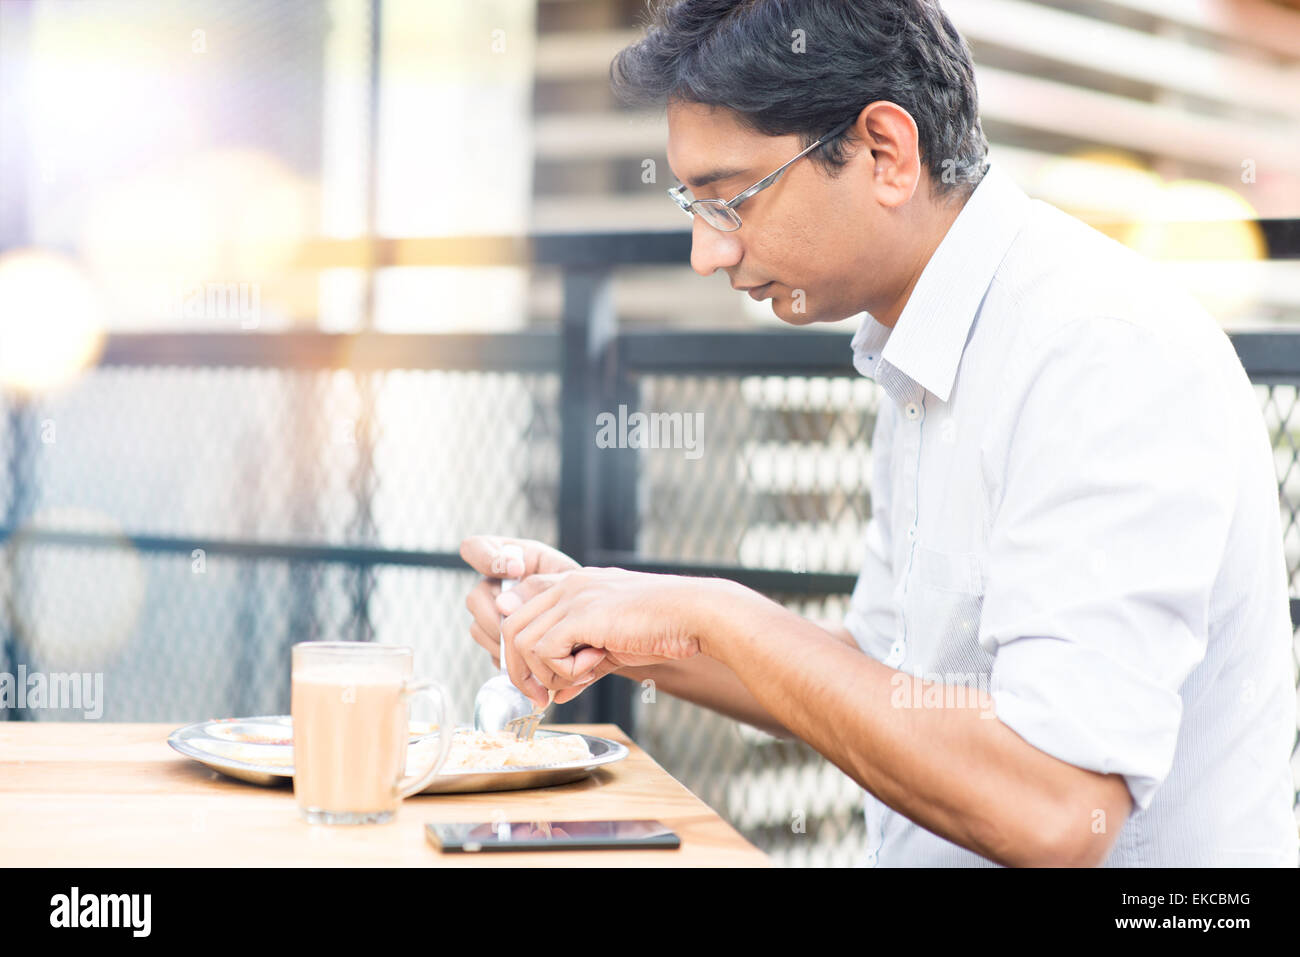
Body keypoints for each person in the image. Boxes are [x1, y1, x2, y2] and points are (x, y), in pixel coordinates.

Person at [461, 0, 1299, 867]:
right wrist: (624, 616)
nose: (706, 255)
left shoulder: (1100, 349)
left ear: (885, 154)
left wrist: (713, 611)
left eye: (729, 199)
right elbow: (875, 668)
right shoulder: (922, 339)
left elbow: (1055, 806)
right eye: (692, 205)